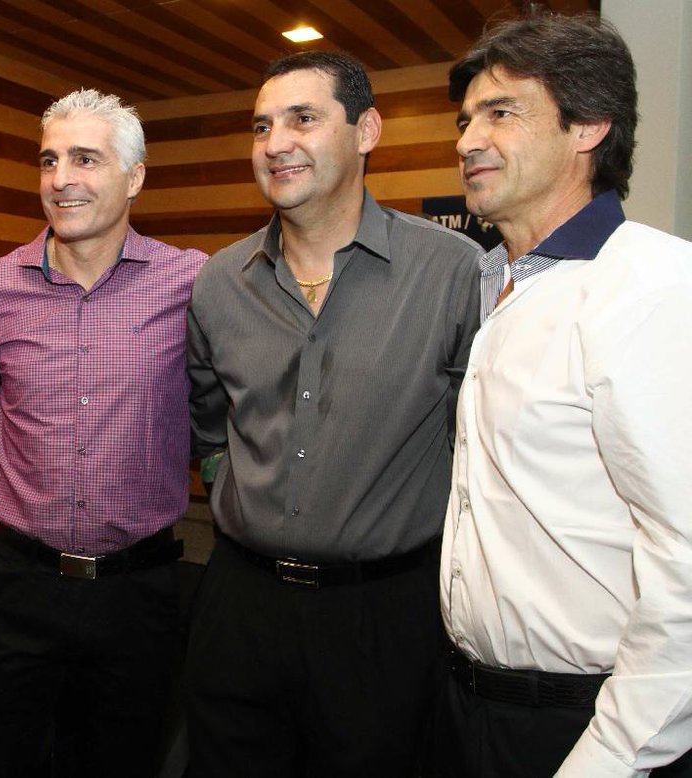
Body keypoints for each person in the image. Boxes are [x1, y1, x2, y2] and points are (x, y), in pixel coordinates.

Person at [184, 52, 482, 776]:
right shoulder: (221, 281)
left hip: (383, 618)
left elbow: (476, 437)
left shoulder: (454, 271)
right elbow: (207, 418)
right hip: (239, 604)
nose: (276, 142)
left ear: (367, 130)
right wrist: (237, 493)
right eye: (261, 126)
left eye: (303, 119)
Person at [433, 12, 692, 777]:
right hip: (469, 709)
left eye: (502, 112)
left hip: (590, 729)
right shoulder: (491, 284)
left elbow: (685, 563)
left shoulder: (652, 286)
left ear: (589, 127)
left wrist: (610, 758)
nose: (466, 140)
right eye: (465, 118)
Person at [0, 88, 207, 777]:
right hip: (17, 586)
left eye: (85, 159)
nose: (61, 180)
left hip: (137, 593)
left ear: (134, 176)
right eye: (49, 160)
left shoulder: (192, 282)